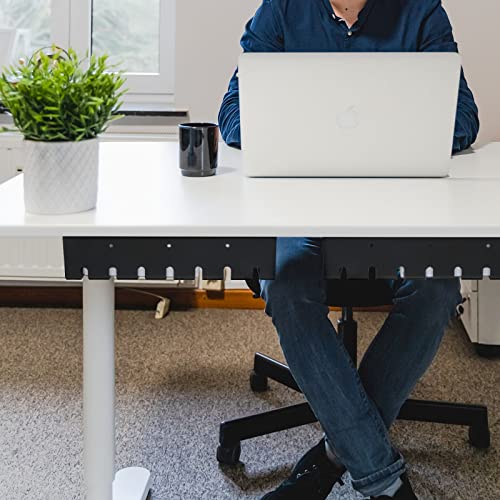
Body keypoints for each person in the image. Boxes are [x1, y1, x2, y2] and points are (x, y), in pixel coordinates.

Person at [218, 1, 480, 499]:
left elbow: (464, 118)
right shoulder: (283, 8)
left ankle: (332, 457)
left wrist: (381, 140)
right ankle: (382, 479)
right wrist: (305, 138)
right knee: (286, 278)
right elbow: (232, 113)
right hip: (301, 199)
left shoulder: (421, 10)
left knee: (437, 286)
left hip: (398, 202)